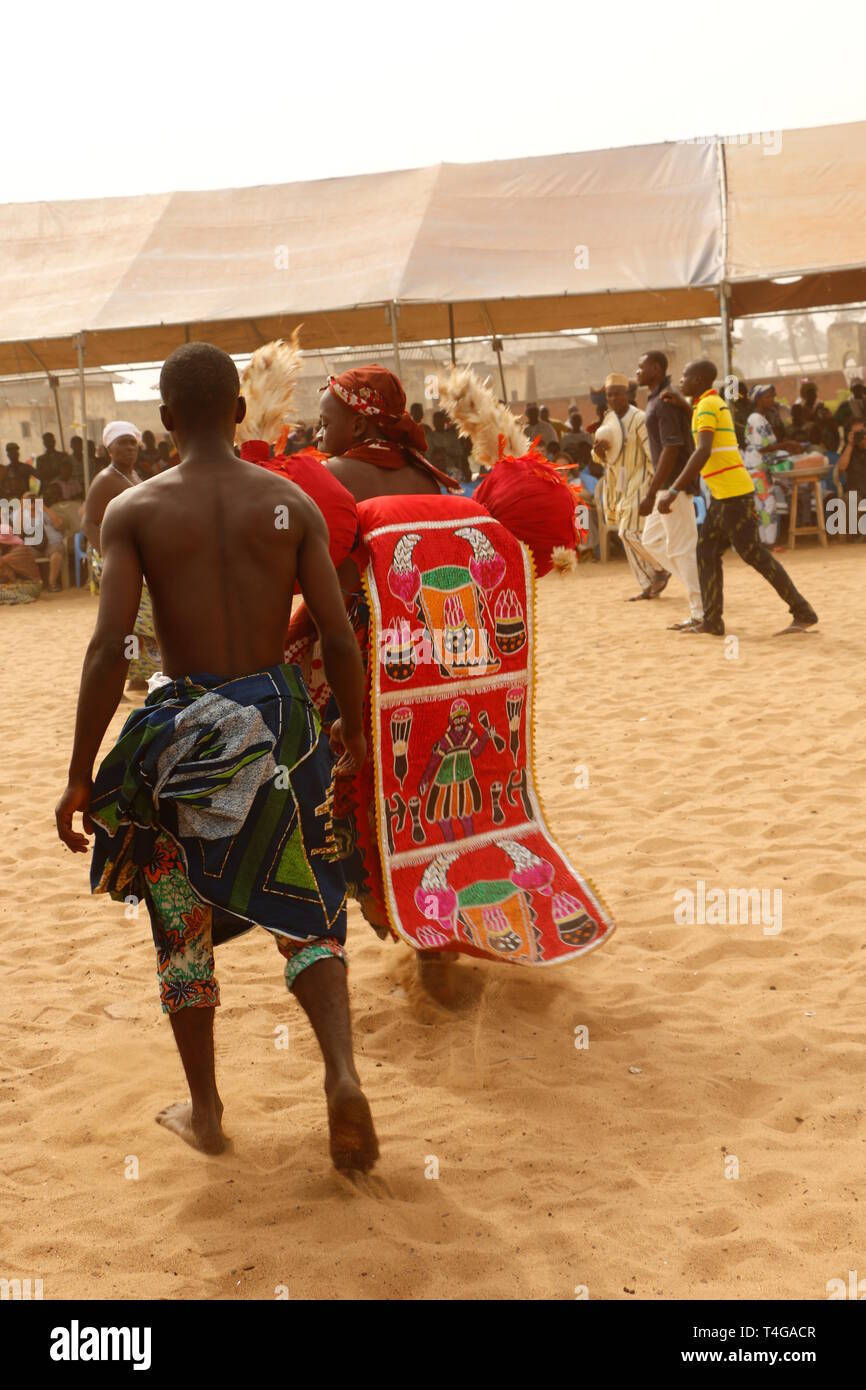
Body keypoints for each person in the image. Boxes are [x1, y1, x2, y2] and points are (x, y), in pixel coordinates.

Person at [55, 342, 377, 1169]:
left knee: (179, 915)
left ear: (166, 423)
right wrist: (353, 741)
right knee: (307, 903)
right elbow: (338, 635)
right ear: (240, 413)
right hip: (280, 716)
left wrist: (80, 772)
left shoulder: (137, 511)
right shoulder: (289, 502)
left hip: (191, 726)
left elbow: (108, 649)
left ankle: (206, 1111)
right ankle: (341, 1073)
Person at [658, 361, 818, 635]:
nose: (681, 381)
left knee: (753, 554)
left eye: (685, 377)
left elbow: (703, 451)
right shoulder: (710, 404)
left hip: (733, 496)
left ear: (697, 380)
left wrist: (673, 490)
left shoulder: (708, 406)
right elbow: (711, 435)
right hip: (726, 495)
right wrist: (685, 407)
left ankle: (802, 612)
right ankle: (712, 621)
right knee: (706, 552)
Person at [82, 421, 160, 691]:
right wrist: (111, 558)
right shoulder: (105, 479)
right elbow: (89, 523)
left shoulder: (133, 475)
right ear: (109, 449)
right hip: (116, 559)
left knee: (140, 621)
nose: (128, 448)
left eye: (131, 443)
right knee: (134, 619)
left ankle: (138, 679)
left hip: (134, 558)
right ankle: (125, 680)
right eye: (122, 443)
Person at [634, 351, 703, 630]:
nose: (636, 372)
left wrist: (652, 494)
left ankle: (701, 610)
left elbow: (672, 447)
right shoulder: (657, 398)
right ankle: (698, 590)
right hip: (666, 486)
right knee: (651, 540)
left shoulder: (664, 400)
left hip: (674, 486)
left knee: (681, 549)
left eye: (641, 367)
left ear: (655, 368)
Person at [320, 366, 459, 499]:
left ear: (358, 427)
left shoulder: (327, 476)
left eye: (324, 425)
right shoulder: (425, 480)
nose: (318, 435)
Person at [591, 372, 669, 599]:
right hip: (618, 483)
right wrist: (597, 452)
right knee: (627, 535)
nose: (613, 399)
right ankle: (648, 584)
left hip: (641, 481)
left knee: (628, 532)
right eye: (609, 395)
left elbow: (654, 454)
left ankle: (661, 568)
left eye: (617, 394)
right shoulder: (608, 420)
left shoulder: (640, 419)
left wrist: (654, 487)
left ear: (628, 394)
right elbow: (601, 457)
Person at [0, 527, 42, 604]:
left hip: (32, 586)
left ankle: (24, 598)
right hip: (23, 584)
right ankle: (10, 600)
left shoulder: (17, 552)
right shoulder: (15, 550)